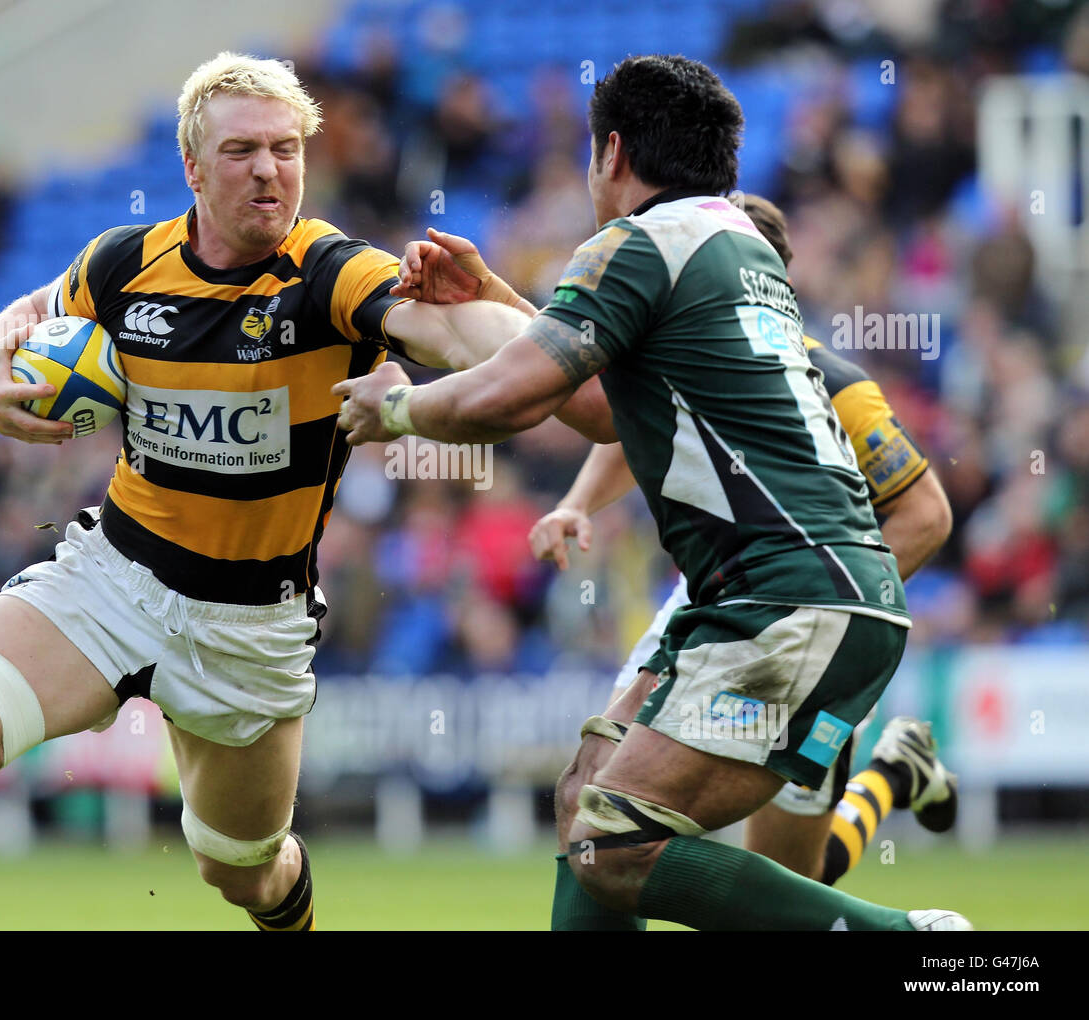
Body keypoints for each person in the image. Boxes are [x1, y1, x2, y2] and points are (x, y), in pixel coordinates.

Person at [0, 52, 539, 933]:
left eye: (286, 148)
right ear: (191, 166)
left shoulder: (334, 272)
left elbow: (462, 333)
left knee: (243, 874)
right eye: (242, 150)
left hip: (251, 628)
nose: (269, 169)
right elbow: (25, 316)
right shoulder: (123, 265)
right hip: (113, 581)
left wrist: (519, 331)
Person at [336, 54, 970, 930]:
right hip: (779, 600)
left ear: (613, 152)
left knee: (615, 840)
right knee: (588, 798)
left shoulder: (642, 242)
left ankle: (915, 943)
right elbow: (604, 404)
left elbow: (512, 396)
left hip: (786, 603)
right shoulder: (735, 245)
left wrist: (400, 406)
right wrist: (498, 297)